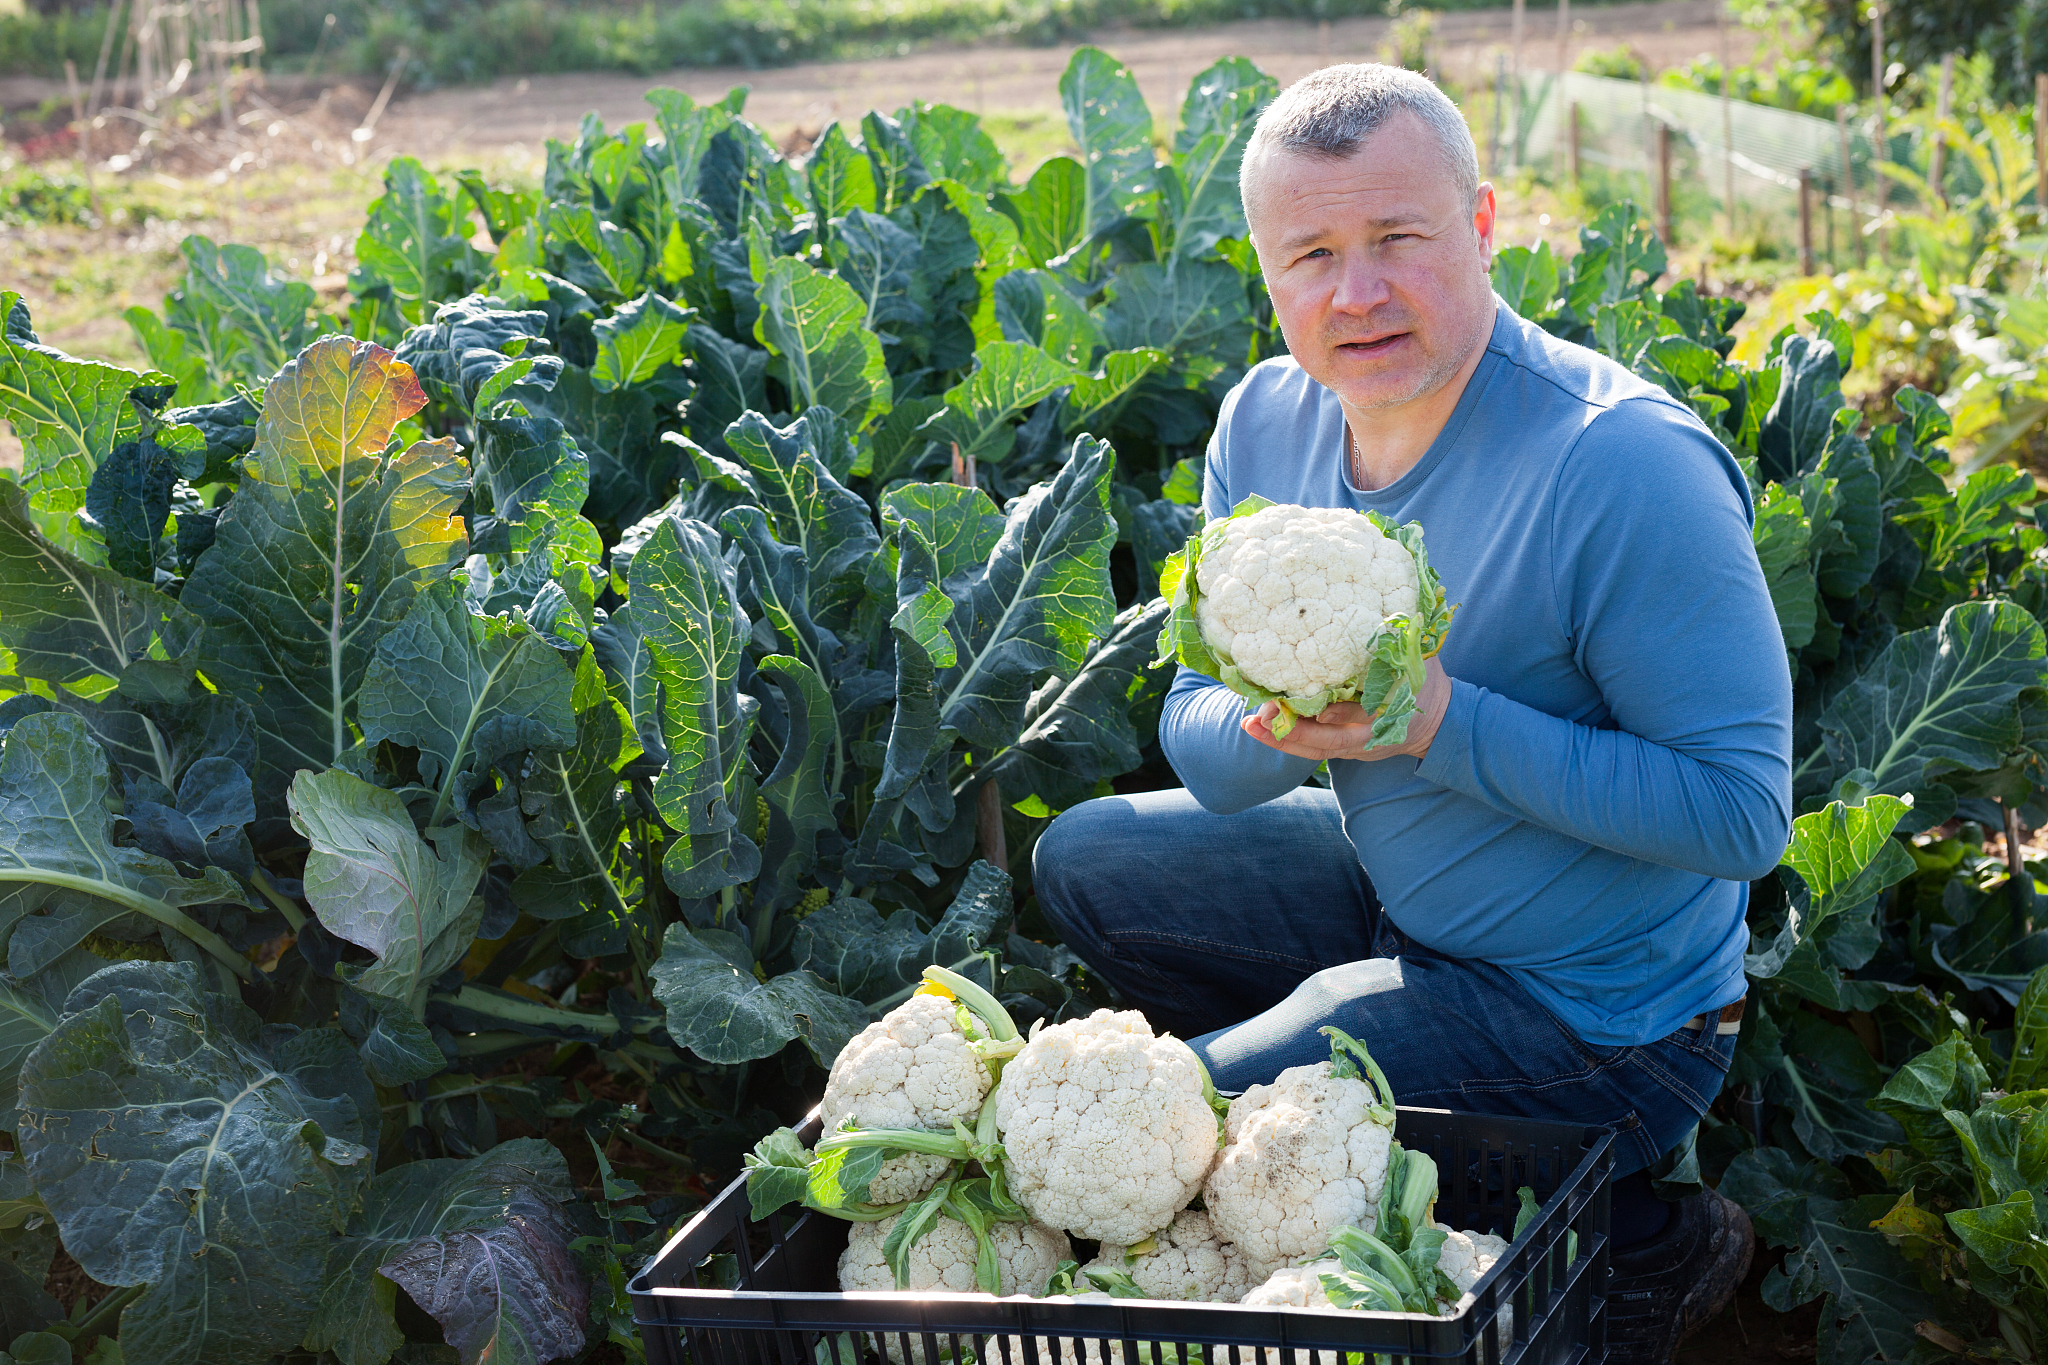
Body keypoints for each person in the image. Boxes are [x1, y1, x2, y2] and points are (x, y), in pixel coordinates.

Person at [1033, 63, 1789, 1365]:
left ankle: (1635, 1234)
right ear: (1267, 272)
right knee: (1084, 860)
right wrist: (1278, 727)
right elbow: (1203, 746)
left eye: (1398, 239)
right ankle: (1415, 1118)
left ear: (1482, 225)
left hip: (1600, 1014)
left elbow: (1739, 816)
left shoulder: (1620, 467)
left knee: (1172, 1129)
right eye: (1312, 254)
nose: (1356, 292)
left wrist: (1436, 723)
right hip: (1404, 888)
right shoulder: (1263, 424)